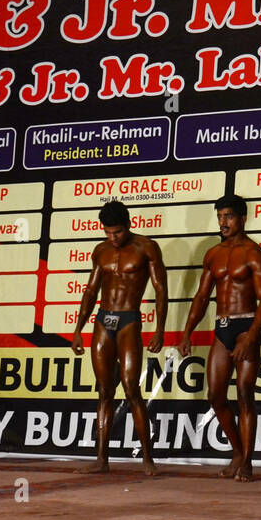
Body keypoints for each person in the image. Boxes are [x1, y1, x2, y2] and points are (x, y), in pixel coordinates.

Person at [177, 194, 261, 481]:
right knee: (216, 395)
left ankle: (247, 462)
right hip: (221, 328)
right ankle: (238, 452)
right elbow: (202, 296)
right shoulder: (214, 254)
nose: (223, 222)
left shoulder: (254, 254)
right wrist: (187, 332)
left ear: (243, 218)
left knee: (244, 393)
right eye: (220, 217)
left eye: (228, 216)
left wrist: (251, 337)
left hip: (246, 326)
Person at [70, 200, 168, 475]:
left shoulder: (146, 248)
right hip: (103, 320)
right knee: (104, 392)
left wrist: (159, 330)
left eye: (117, 232)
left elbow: (161, 290)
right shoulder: (100, 251)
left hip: (128, 322)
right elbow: (90, 291)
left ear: (128, 225)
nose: (112, 238)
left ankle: (148, 458)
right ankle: (102, 459)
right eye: (108, 232)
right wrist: (78, 329)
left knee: (132, 390)